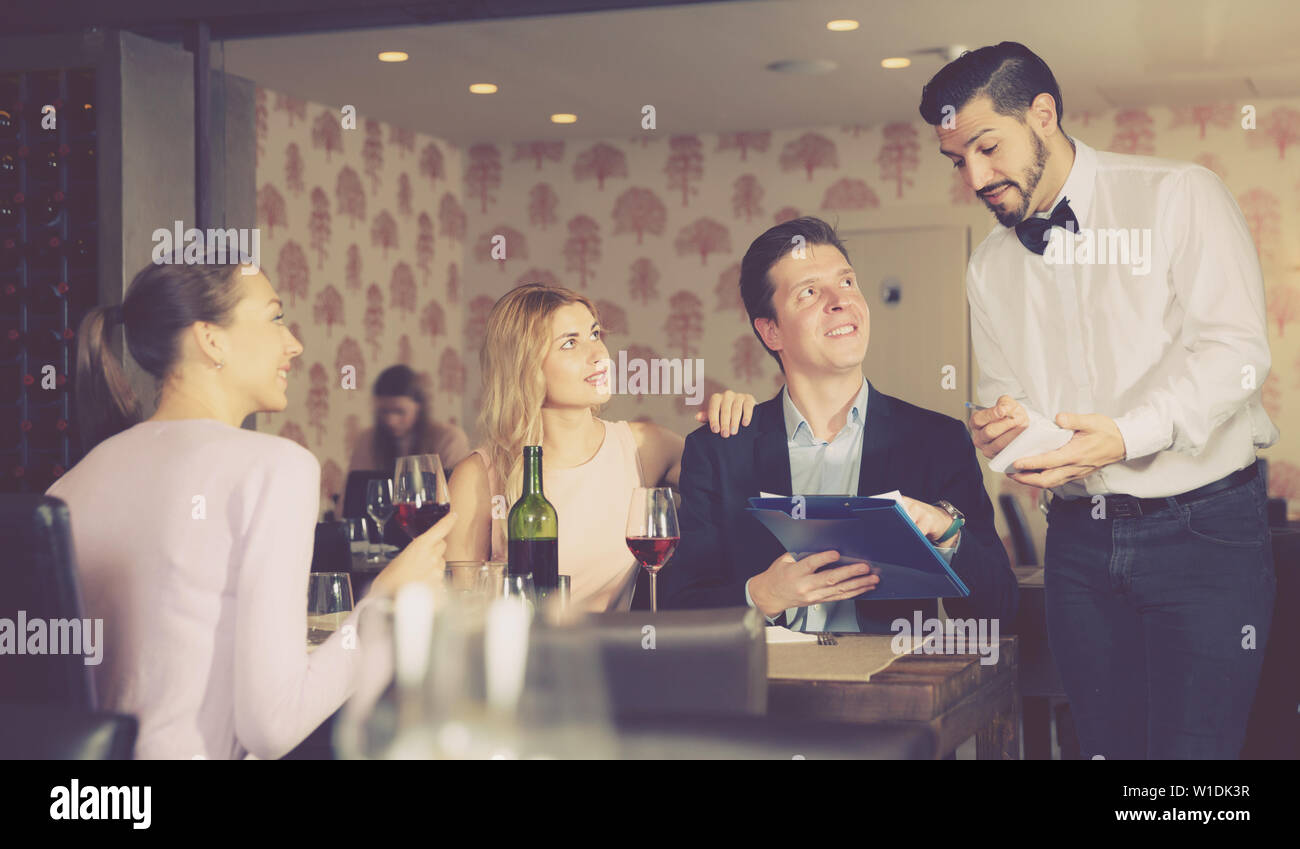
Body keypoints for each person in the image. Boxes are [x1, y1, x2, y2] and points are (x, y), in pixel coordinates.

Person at [920, 42, 1277, 758]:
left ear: (1043, 115)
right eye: (958, 160)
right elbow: (1006, 399)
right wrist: (1005, 438)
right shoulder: (988, 266)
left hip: (1203, 532)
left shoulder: (1180, 196)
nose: (975, 177)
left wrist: (1126, 434)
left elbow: (1239, 358)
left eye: (987, 148)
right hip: (1078, 542)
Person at [46, 256, 456, 760]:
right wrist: (389, 601)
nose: (295, 344)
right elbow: (273, 726)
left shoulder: (72, 483)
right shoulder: (274, 466)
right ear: (211, 340)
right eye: (275, 317)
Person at [660, 217, 1018, 633]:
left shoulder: (936, 440)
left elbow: (998, 613)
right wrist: (762, 596)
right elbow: (676, 604)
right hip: (763, 690)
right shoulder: (719, 449)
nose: (839, 300)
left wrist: (945, 532)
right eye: (809, 292)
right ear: (771, 331)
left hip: (890, 690)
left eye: (847, 282)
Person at [445, 283, 756, 612]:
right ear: (524, 366)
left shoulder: (643, 447)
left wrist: (736, 420)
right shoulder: (479, 477)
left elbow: (738, 491)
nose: (599, 355)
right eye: (570, 343)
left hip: (614, 658)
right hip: (521, 659)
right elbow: (458, 614)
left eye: (594, 335)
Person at [347, 364, 471, 477]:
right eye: (384, 411)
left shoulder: (449, 439)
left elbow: (455, 494)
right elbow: (350, 495)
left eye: (399, 411)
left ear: (419, 407)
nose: (391, 420)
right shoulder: (367, 440)